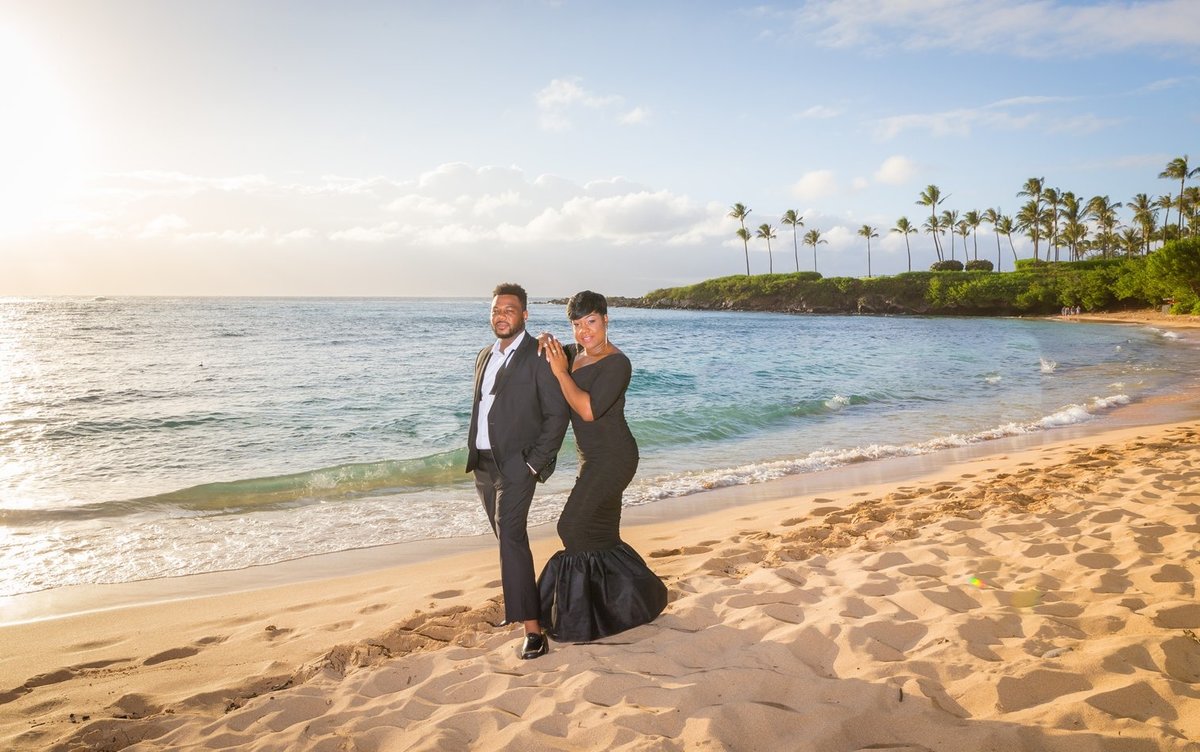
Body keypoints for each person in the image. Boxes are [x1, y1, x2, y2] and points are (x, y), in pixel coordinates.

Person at [536, 290, 668, 642]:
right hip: (591, 458)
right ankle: (627, 606)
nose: (584, 332)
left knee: (572, 527)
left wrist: (561, 373)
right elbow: (546, 357)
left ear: (606, 319)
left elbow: (588, 410)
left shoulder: (617, 363)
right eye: (576, 325)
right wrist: (546, 341)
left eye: (590, 322)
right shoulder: (575, 352)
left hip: (615, 457)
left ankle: (585, 614)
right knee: (602, 535)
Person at [466, 283, 569, 660]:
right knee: (509, 539)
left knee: (511, 536)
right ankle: (526, 602)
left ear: (525, 315)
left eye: (510, 309)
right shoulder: (484, 355)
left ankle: (533, 631)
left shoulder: (539, 353)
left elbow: (557, 415)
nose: (501, 315)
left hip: (517, 465)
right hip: (483, 465)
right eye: (496, 309)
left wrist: (533, 463)